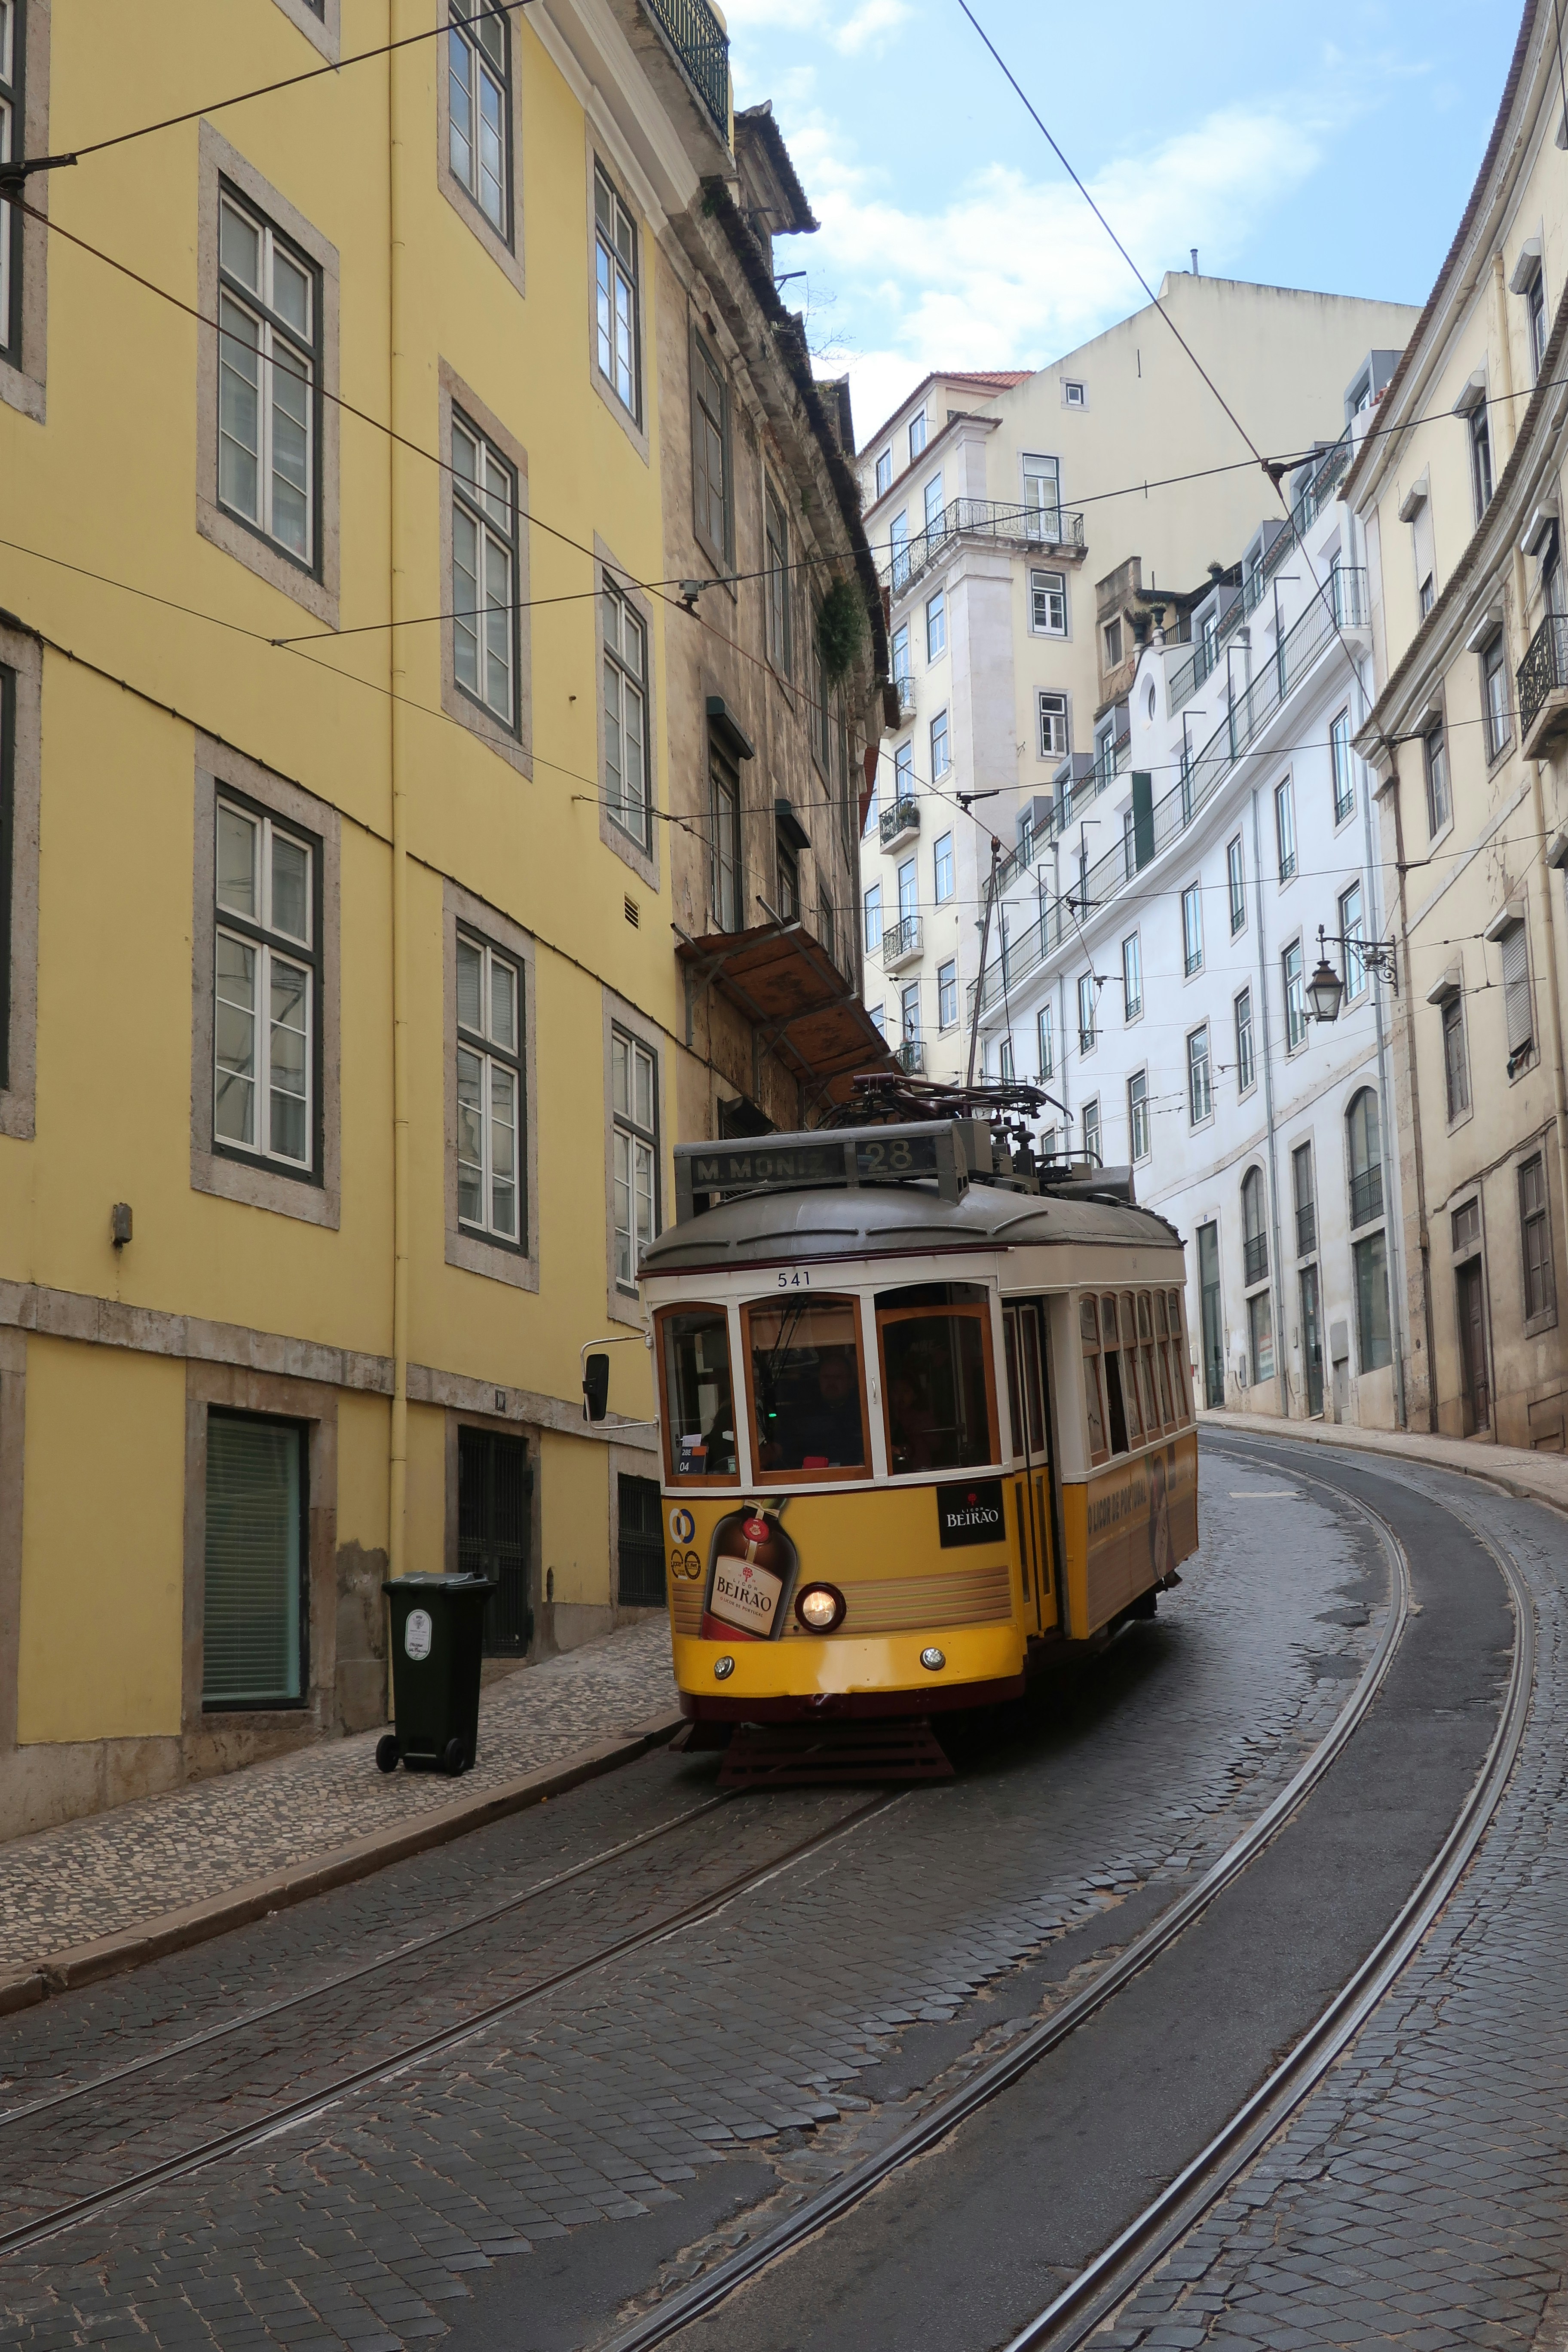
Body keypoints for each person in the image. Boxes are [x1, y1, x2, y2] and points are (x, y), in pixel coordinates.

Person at [766, 1350, 864, 1470]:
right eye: (826, 1377)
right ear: (819, 1380)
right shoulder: (803, 1414)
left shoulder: (862, 1412)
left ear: (851, 1382)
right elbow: (784, 1445)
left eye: (838, 1377)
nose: (831, 1382)